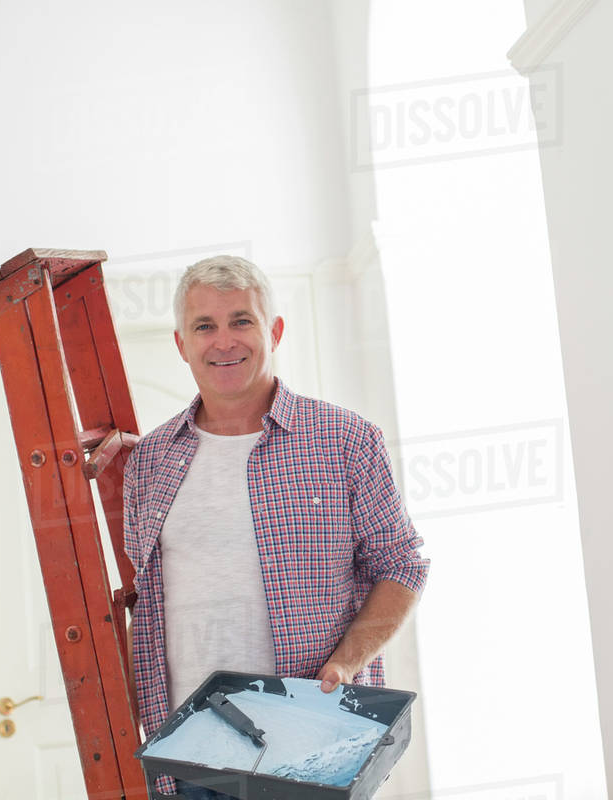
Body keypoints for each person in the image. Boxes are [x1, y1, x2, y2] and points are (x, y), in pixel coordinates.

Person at [122, 256, 429, 799]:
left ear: (274, 330)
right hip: (190, 757)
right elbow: (145, 602)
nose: (224, 342)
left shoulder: (345, 440)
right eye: (204, 326)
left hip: (314, 751)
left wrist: (349, 661)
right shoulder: (149, 462)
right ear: (180, 344)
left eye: (241, 321)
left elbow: (402, 563)